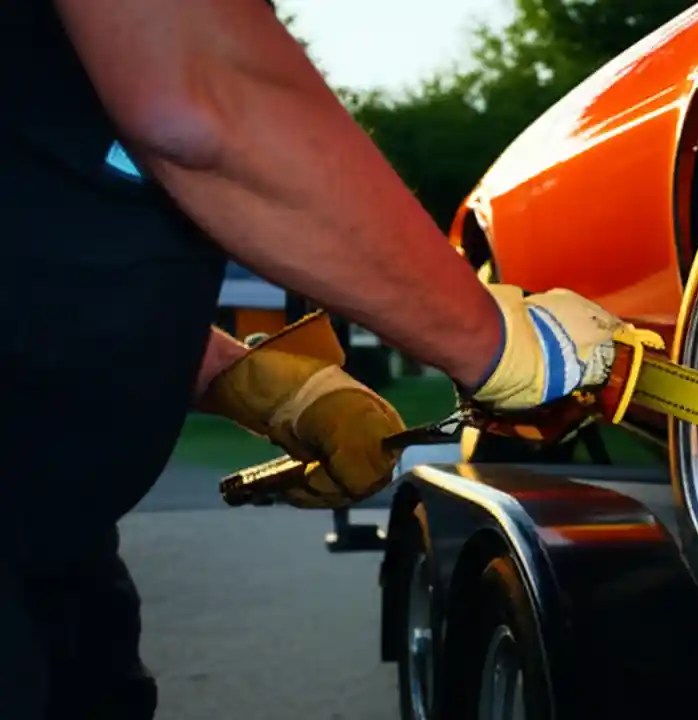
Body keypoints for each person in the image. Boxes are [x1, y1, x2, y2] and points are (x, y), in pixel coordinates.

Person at [0, 1, 631, 717]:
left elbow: (45, 265)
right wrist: (496, 343)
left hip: (56, 552)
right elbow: (202, 108)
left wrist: (259, 387)